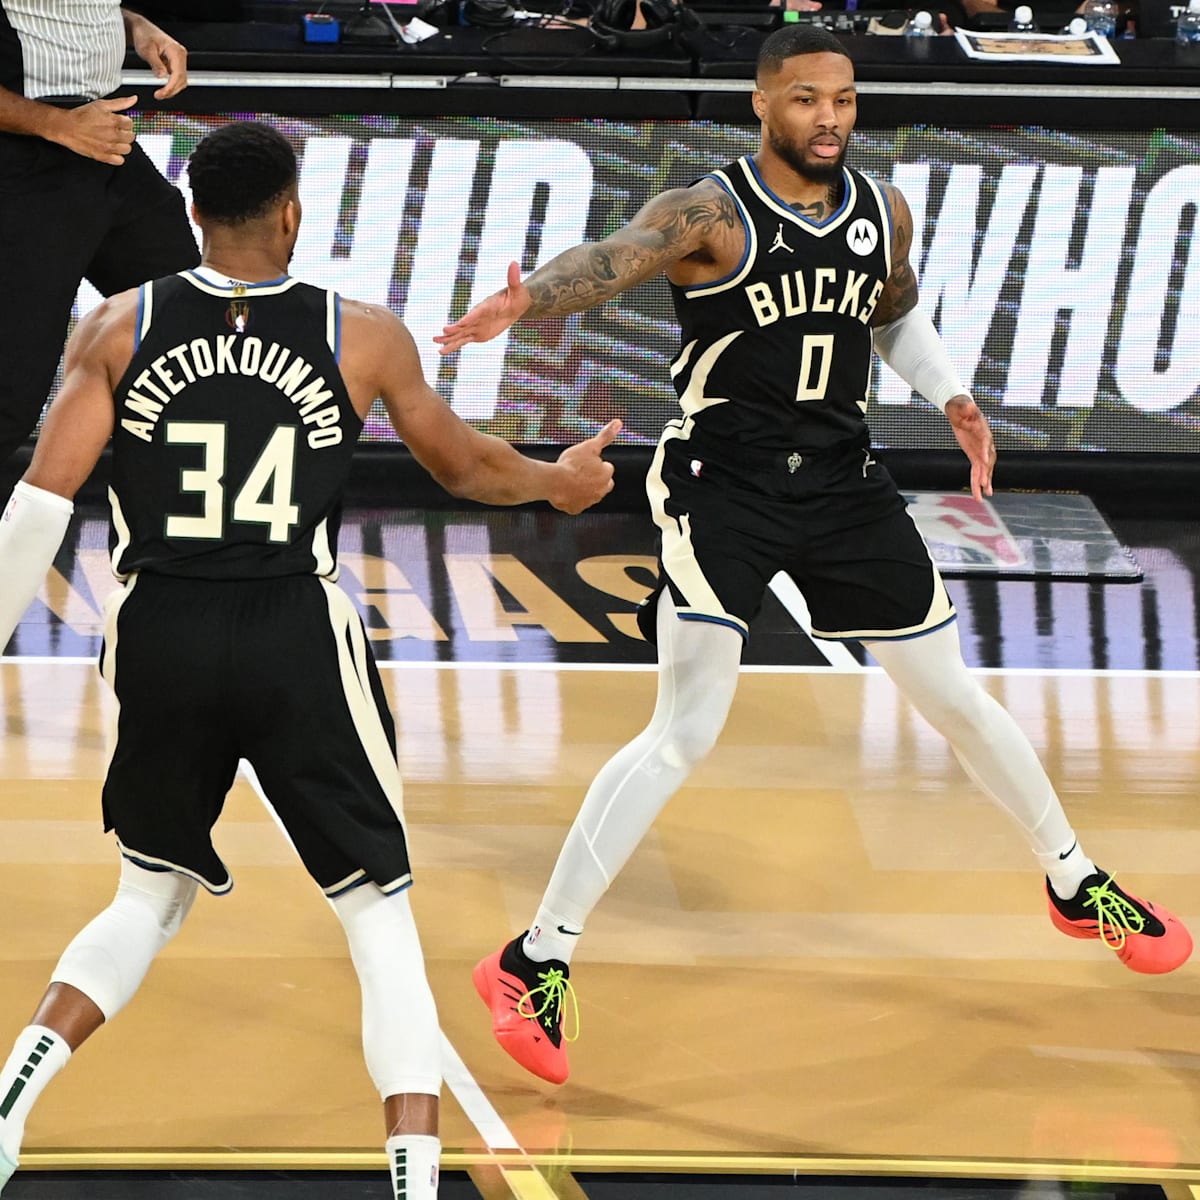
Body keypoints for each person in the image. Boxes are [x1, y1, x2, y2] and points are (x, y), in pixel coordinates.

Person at [436, 25, 1192, 1087]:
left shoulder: (882, 210)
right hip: (724, 484)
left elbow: (893, 314)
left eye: (842, 99)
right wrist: (529, 301)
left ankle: (1074, 883)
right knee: (685, 731)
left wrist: (953, 396)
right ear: (762, 103)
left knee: (954, 696)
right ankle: (534, 959)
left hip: (842, 481)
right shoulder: (710, 213)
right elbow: (610, 261)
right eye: (805, 100)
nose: (828, 118)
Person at [0, 120, 619, 1197]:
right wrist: (559, 484)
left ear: (193, 214)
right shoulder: (361, 335)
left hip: (161, 627)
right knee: (377, 913)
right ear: (292, 212)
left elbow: (39, 506)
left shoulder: (118, 324)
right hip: (294, 627)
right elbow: (466, 468)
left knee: (146, 897)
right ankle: (414, 1183)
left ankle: (10, 1107)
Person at [0, 1, 201, 477]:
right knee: (13, 390)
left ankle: (191, 502)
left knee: (192, 325)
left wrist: (135, 26)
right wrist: (57, 124)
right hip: (27, 152)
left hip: (104, 142)